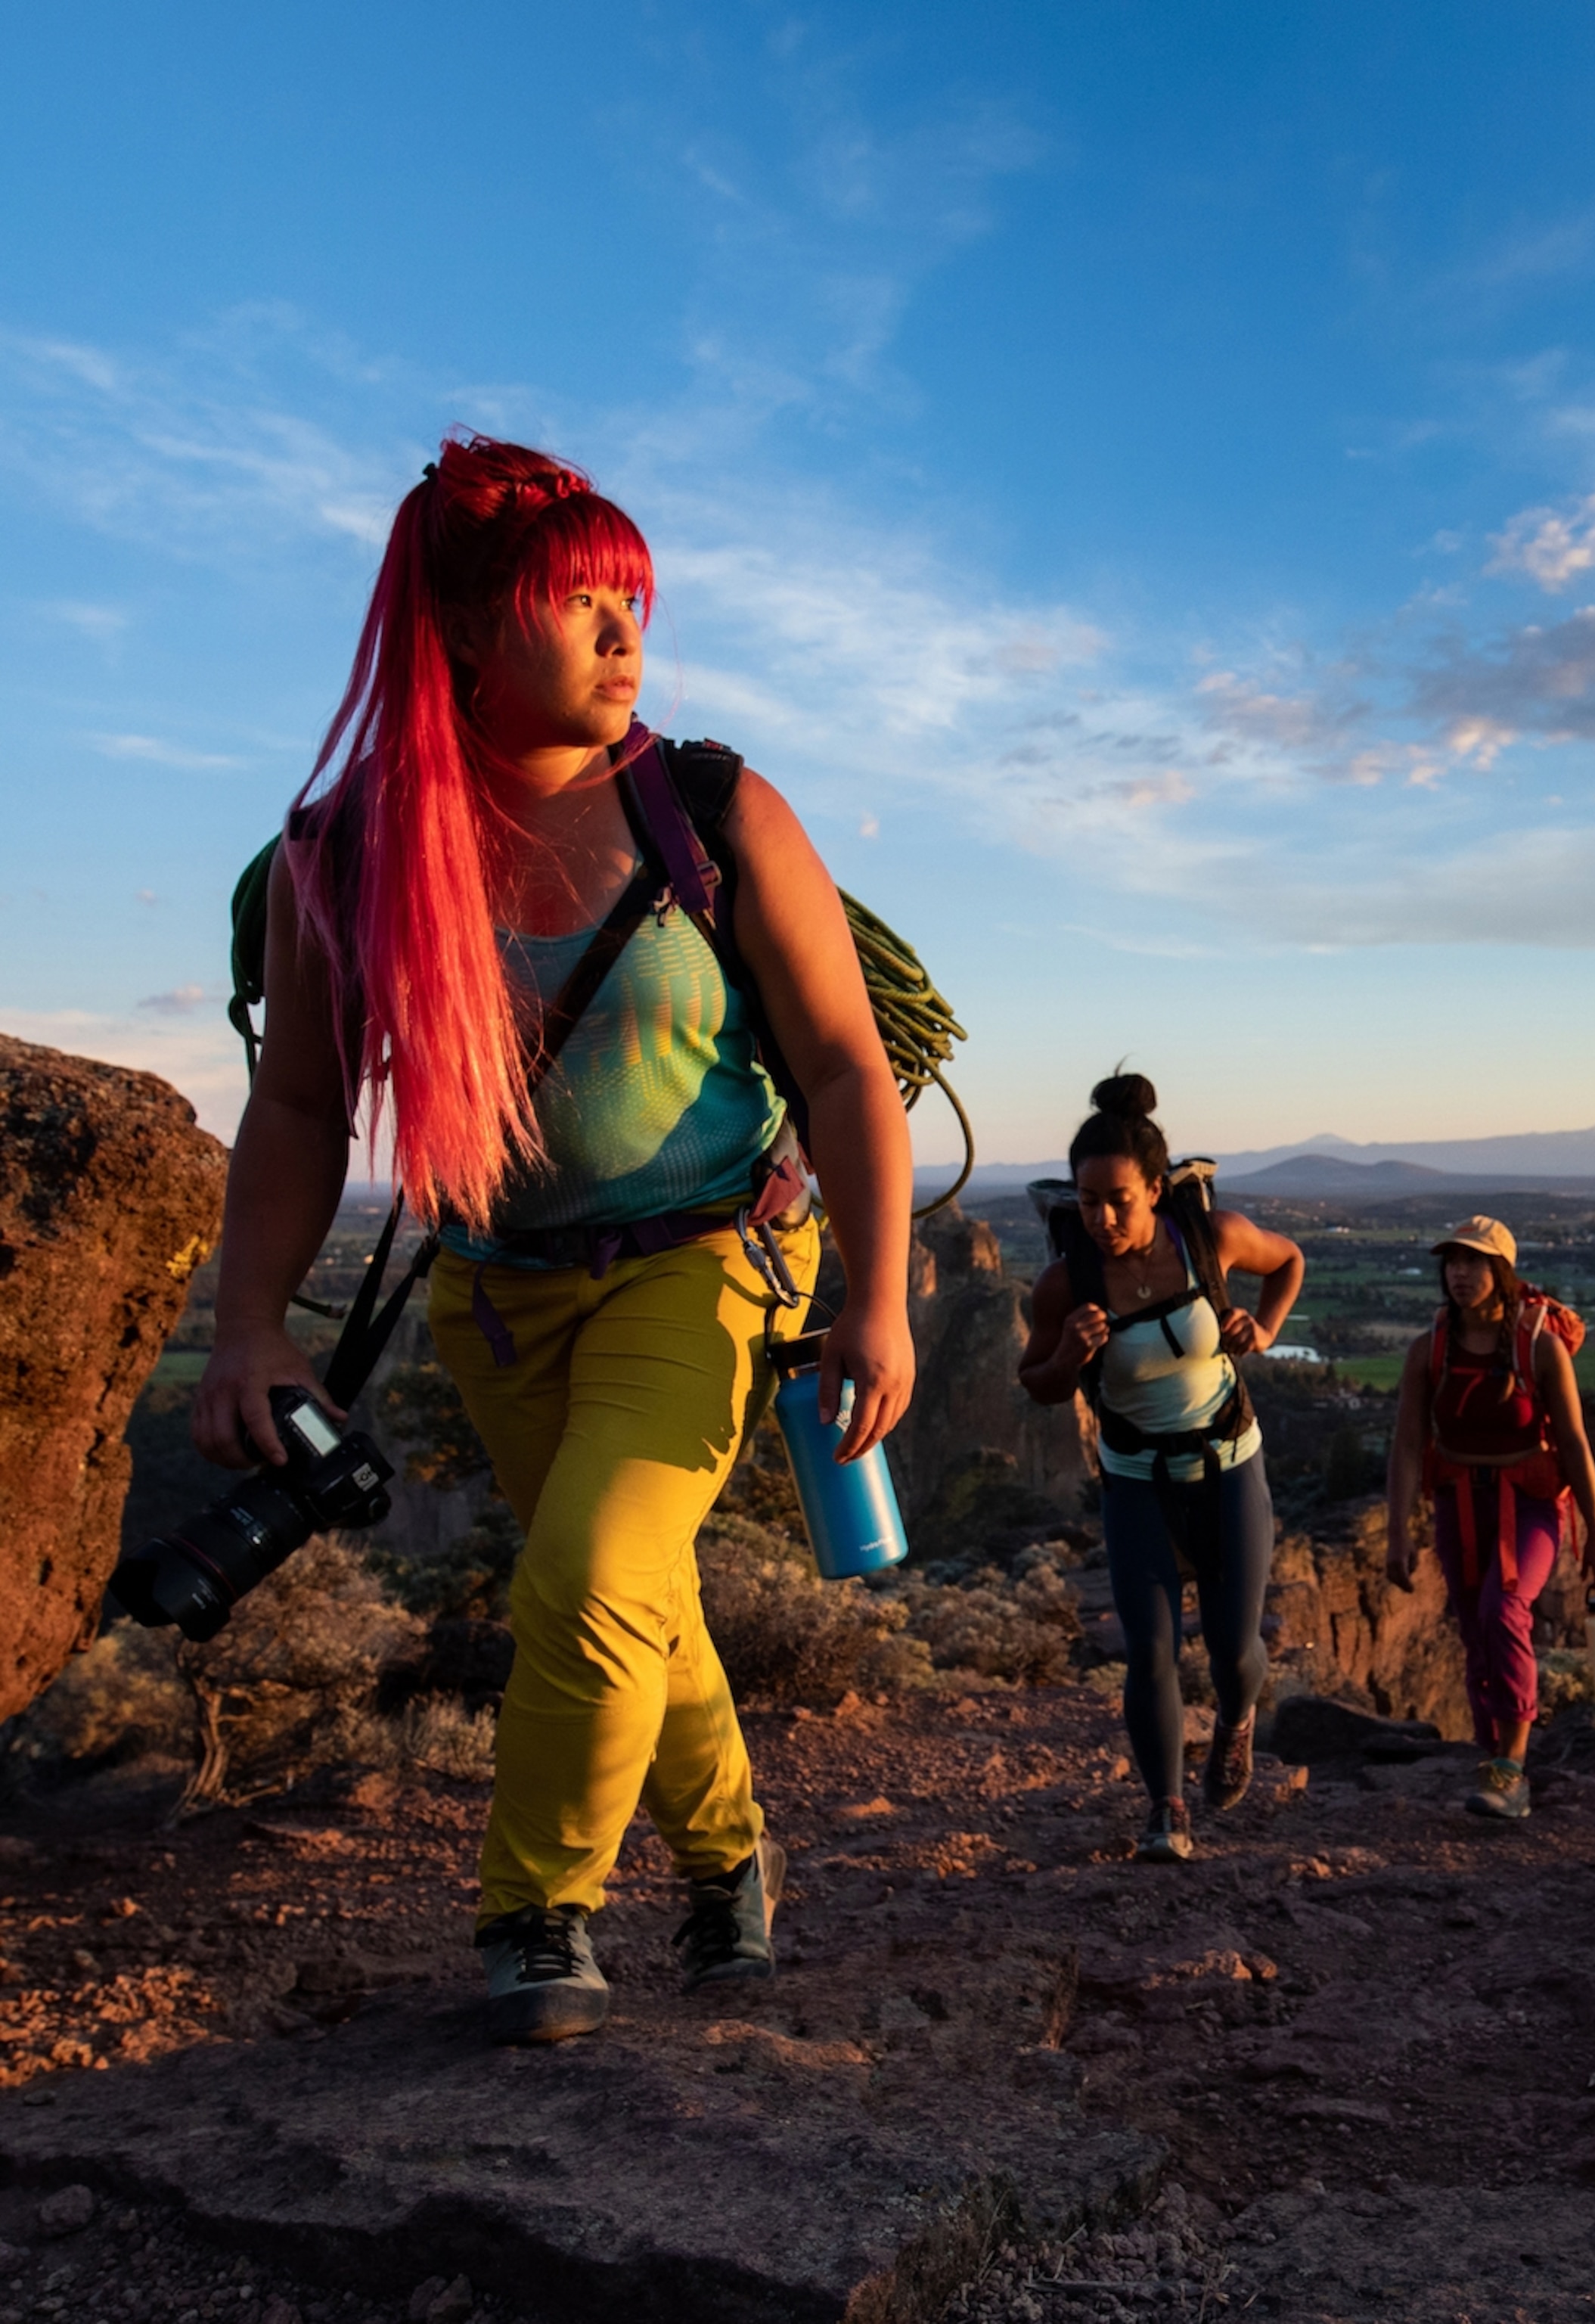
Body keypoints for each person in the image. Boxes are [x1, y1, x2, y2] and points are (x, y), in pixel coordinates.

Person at [193, 433, 914, 2043]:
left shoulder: (711, 808)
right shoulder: (347, 856)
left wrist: (882, 1299)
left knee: (590, 1573)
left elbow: (850, 1067)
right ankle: (732, 1861)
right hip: (499, 1307)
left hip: (705, 1269)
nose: (622, 631)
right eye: (577, 599)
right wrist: (248, 1328)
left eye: (631, 597)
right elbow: (303, 1111)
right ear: (459, 632)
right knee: (631, 1597)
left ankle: (537, 1912)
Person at [1019, 1076, 1304, 1863]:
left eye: (1120, 1200)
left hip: (1227, 1467)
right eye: (1086, 1201)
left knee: (1233, 1648)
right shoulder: (1063, 1284)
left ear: (1156, 1188)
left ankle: (1238, 1721)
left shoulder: (1213, 1240)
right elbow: (1036, 1382)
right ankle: (1166, 1810)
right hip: (1136, 1481)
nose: (1103, 1219)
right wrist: (1070, 1354)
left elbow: (1288, 1264)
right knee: (1149, 1651)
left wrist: (1266, 1328)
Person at [1386, 1216, 1595, 1821]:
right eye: (1453, 1262)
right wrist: (1396, 1533)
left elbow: (1573, 1441)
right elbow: (1407, 1444)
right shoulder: (1429, 1349)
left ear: (1502, 1273)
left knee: (1503, 1609)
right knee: (1472, 1626)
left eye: (1475, 1263)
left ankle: (1512, 1768)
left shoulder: (1538, 1346)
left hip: (1530, 1502)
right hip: (1460, 1498)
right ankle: (1493, 1754)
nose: (1460, 1274)